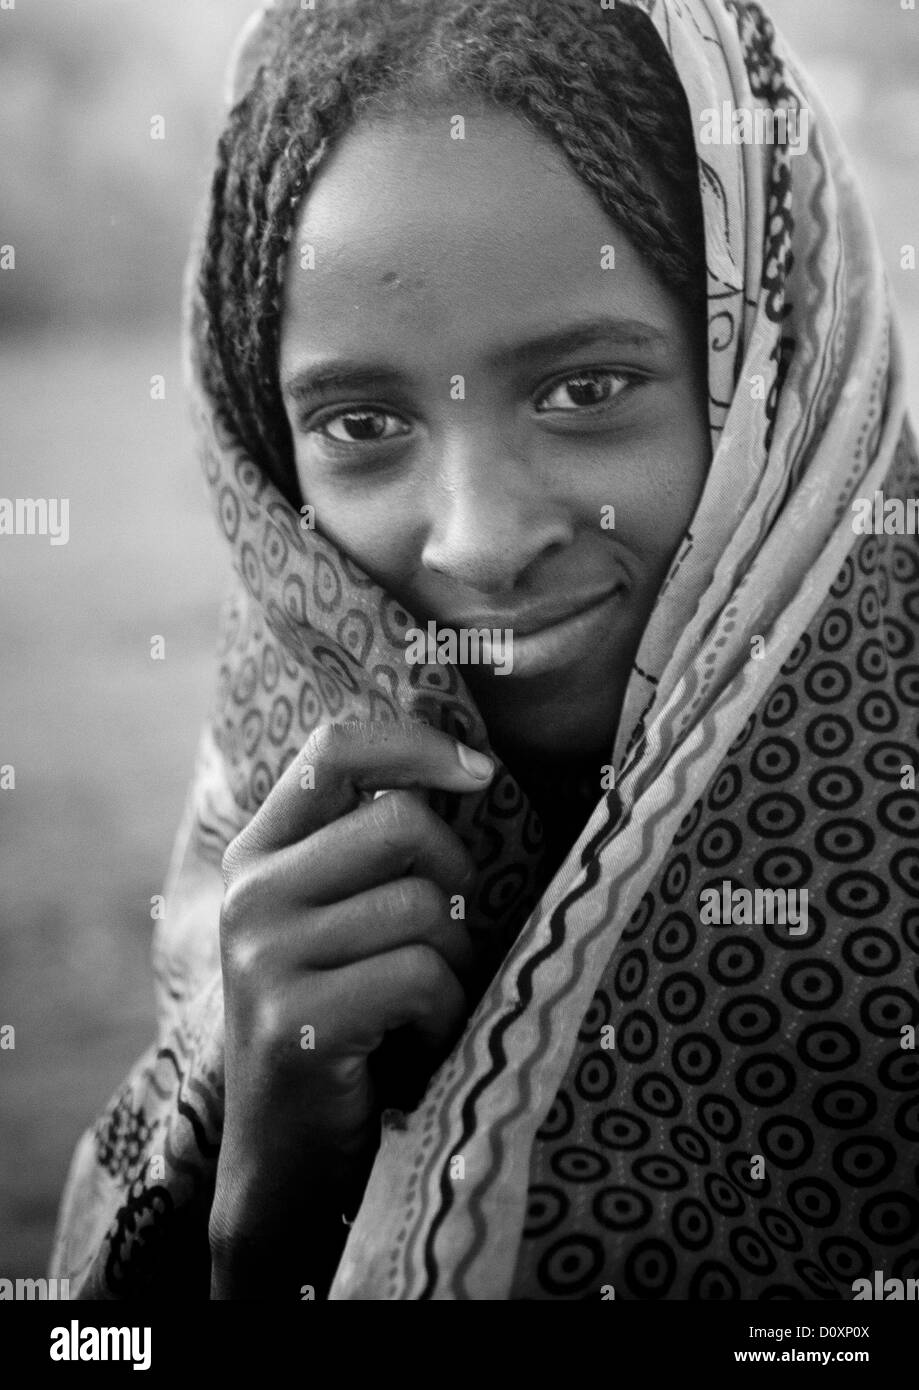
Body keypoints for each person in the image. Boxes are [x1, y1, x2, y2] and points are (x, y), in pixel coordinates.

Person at [50, 0, 918, 1301]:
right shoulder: (265, 921)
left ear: (772, 381)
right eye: (361, 420)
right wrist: (260, 1211)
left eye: (583, 390)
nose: (480, 542)